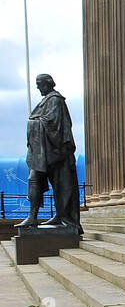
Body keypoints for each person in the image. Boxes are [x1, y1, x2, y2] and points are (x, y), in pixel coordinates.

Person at [23, 73, 80, 233]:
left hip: (54, 151)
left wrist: (33, 122)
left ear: (48, 84)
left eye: (39, 84)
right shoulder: (47, 100)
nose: (37, 87)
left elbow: (54, 124)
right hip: (44, 150)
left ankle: (58, 216)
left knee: (56, 184)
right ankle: (44, 216)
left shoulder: (55, 100)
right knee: (41, 181)